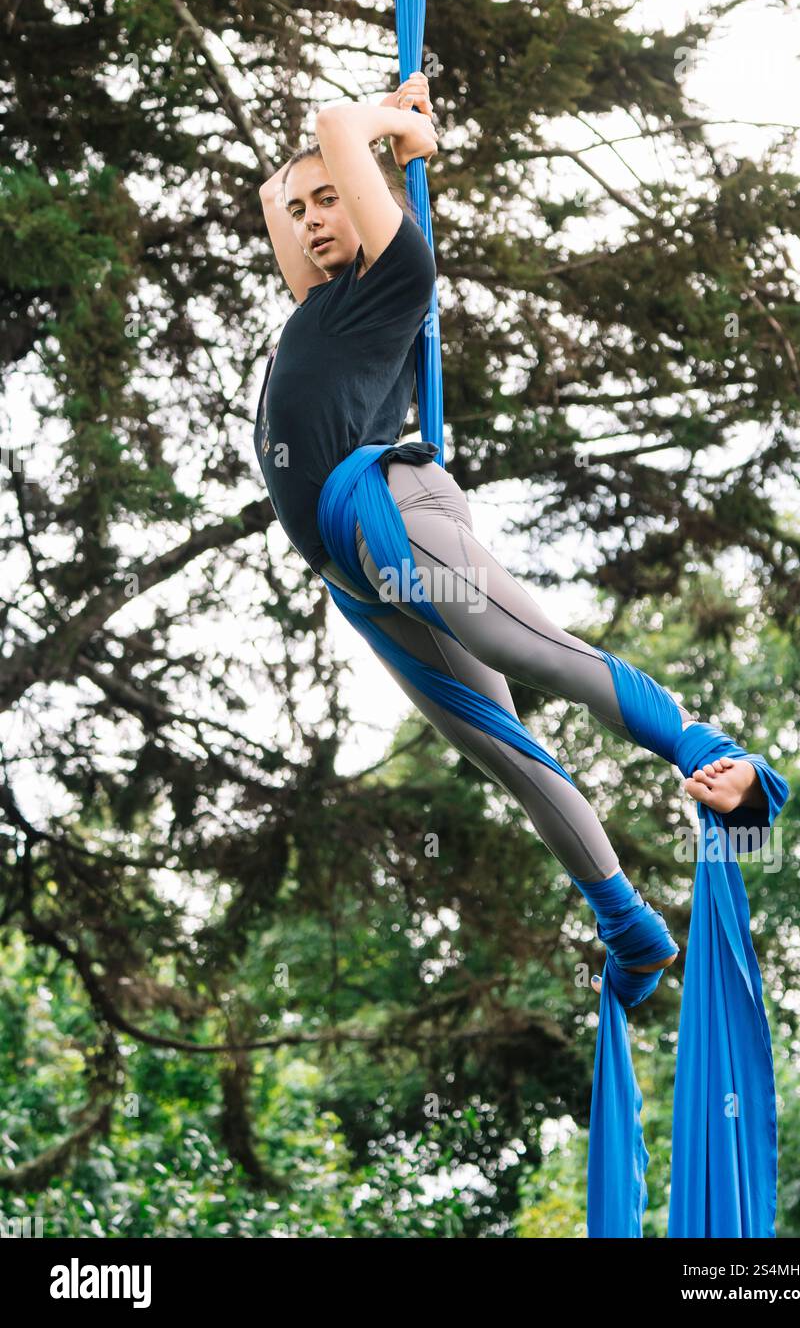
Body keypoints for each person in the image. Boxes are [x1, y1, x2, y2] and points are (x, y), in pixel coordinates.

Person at [254, 73, 769, 997]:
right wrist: (349, 163)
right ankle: (634, 929)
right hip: (359, 574)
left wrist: (398, 130)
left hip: (394, 520)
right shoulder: (319, 304)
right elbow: (277, 194)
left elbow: (337, 127)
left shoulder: (398, 277)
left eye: (331, 197)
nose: (310, 219)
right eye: (302, 210)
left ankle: (718, 759)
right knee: (506, 748)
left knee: (517, 641)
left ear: (367, 199)